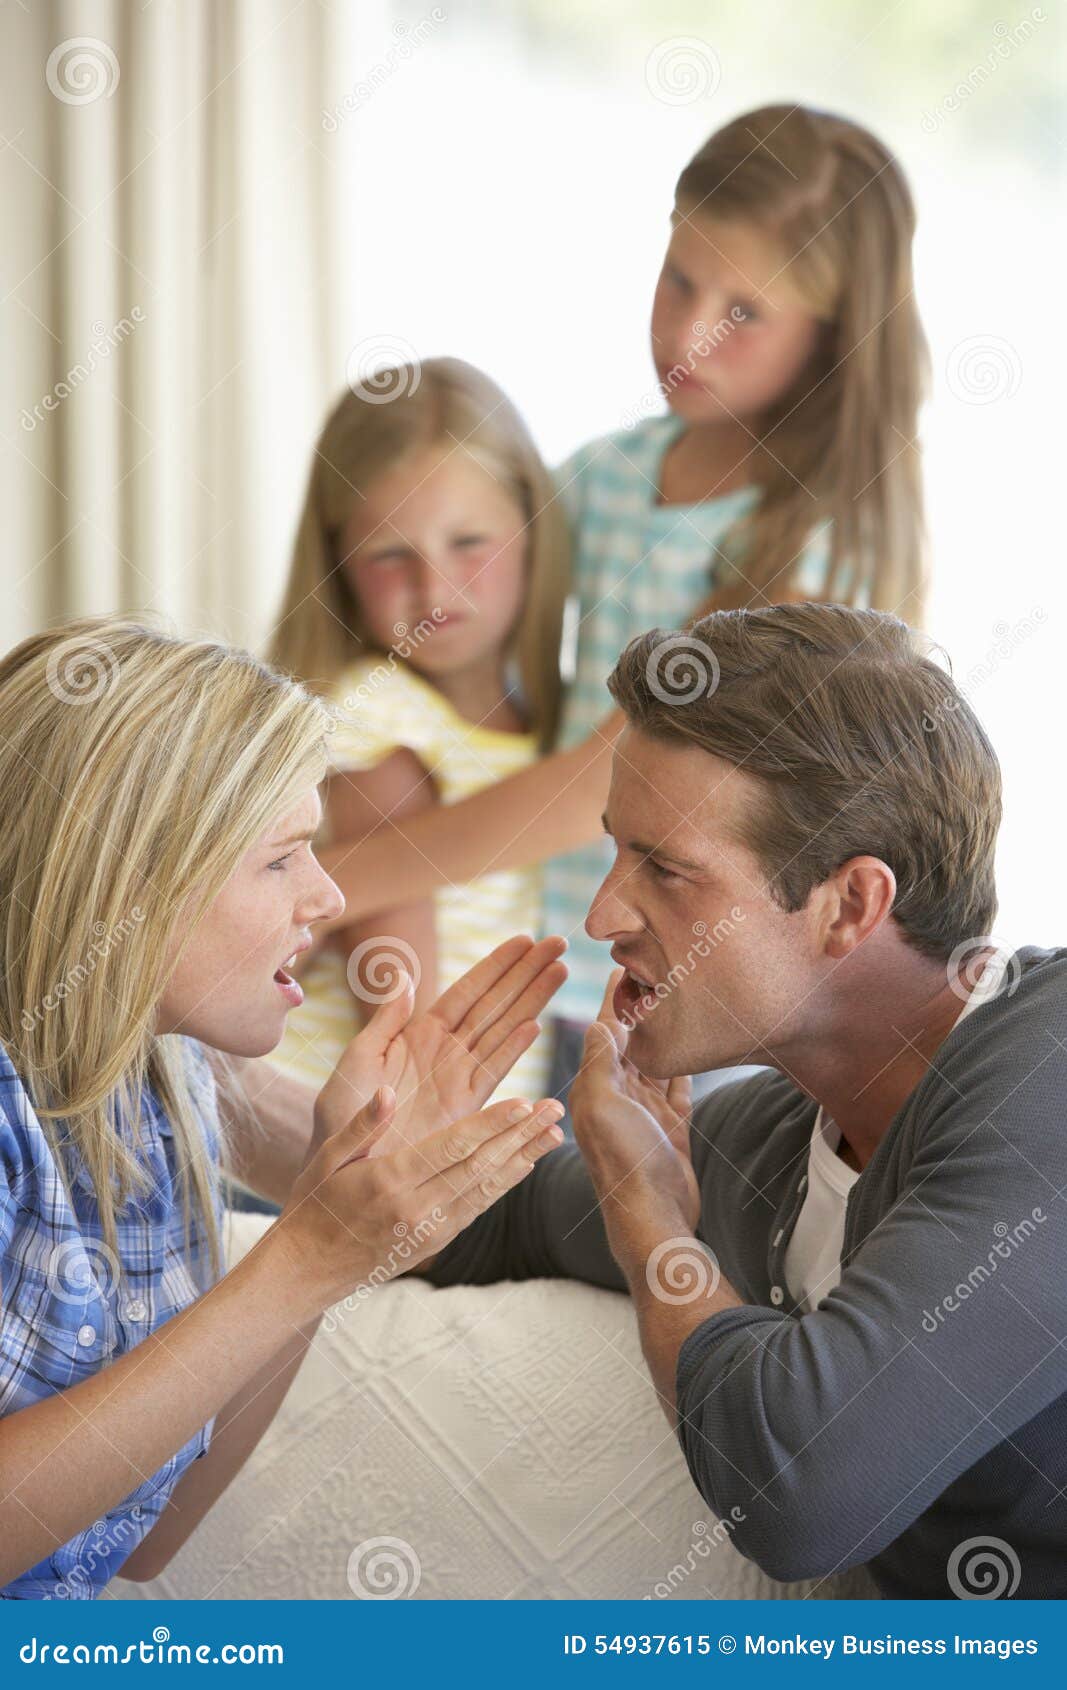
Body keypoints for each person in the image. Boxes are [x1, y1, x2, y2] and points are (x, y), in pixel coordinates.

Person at [418, 603, 1067, 1600]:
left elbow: (801, 1494)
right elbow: (484, 1223)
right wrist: (258, 1107)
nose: (602, 916)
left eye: (667, 871)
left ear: (849, 905)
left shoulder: (1046, 1073)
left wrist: (648, 1220)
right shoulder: (763, 1139)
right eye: (615, 852)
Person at [298, 105, 932, 1110]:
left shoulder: (812, 545)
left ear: (828, 338)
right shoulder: (603, 476)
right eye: (679, 277)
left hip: (701, 999)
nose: (687, 332)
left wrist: (327, 883)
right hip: (559, 972)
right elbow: (464, 609)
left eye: (743, 311)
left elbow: (601, 774)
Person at [0, 616, 567, 1598]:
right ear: (127, 881)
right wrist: (301, 1259)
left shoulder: (158, 1094)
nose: (328, 897)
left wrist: (321, 1208)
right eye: (281, 859)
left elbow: (142, 1538)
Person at [265, 358, 568, 1102]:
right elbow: (402, 1029)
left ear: (534, 531)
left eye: (469, 542)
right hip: (360, 1135)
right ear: (338, 562)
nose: (435, 588)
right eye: (392, 555)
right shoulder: (377, 720)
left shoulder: (544, 724)